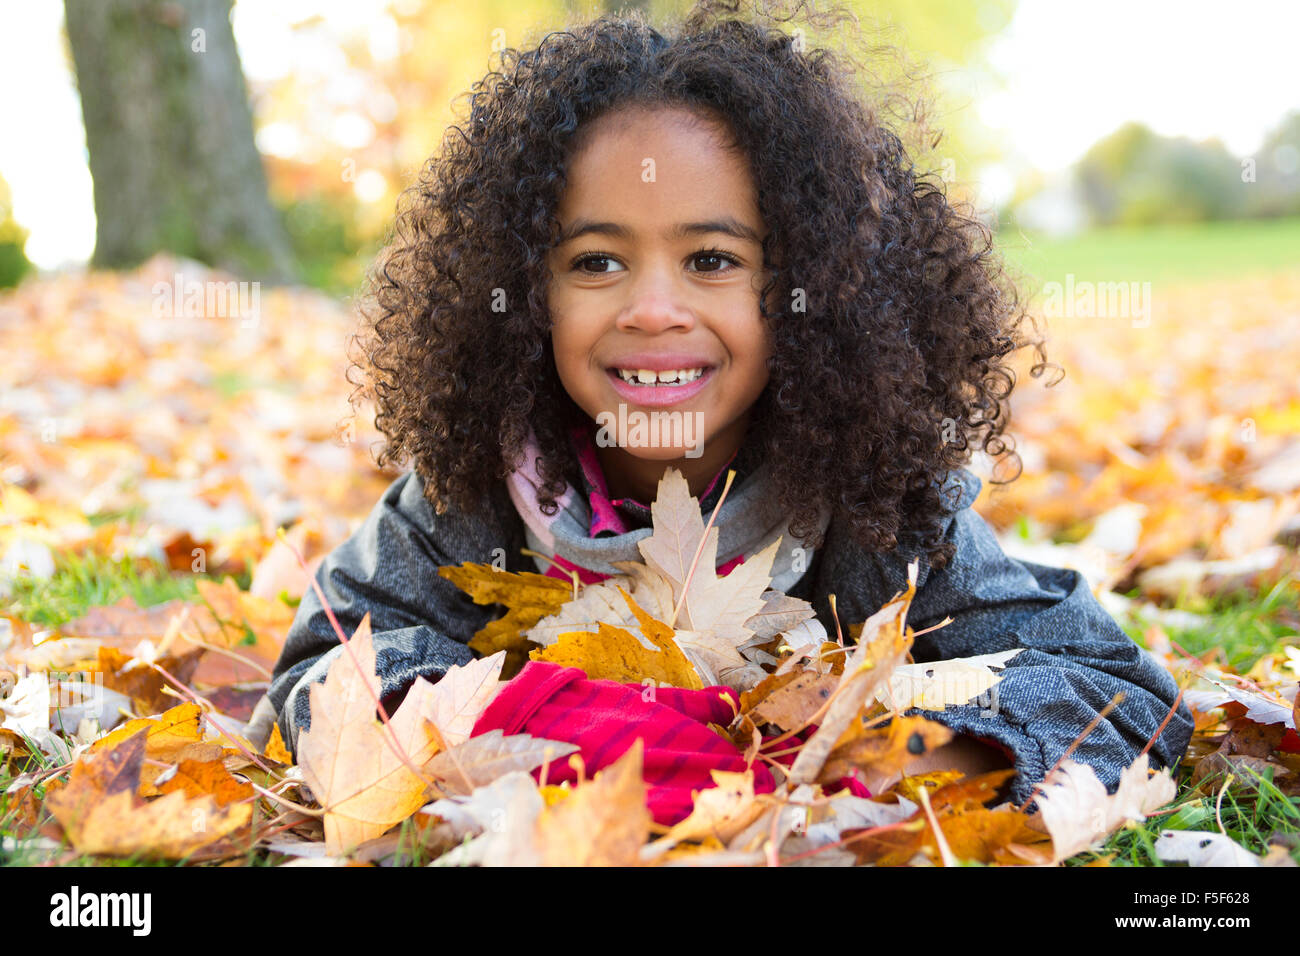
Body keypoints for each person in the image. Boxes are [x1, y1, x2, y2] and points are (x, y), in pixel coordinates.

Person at [260, 0, 1192, 812]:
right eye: (596, 262)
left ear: (816, 291)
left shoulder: (876, 507)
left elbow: (1114, 691)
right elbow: (320, 669)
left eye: (713, 260)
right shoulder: (478, 494)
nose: (653, 308)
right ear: (525, 291)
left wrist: (877, 761)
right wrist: (550, 730)